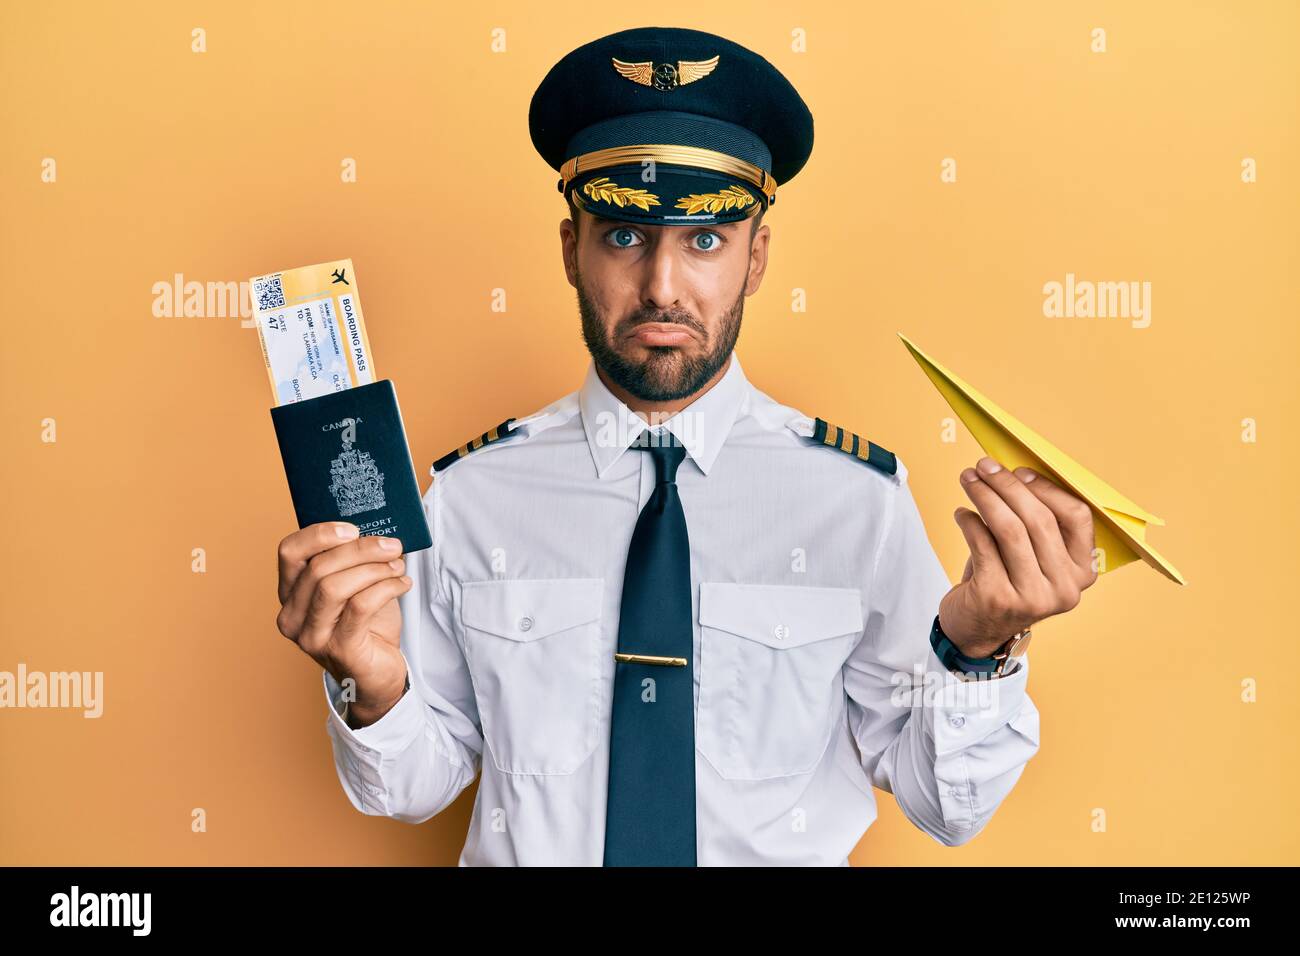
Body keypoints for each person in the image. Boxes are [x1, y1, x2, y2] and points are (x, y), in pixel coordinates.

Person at [274, 26, 1097, 866]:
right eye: (624, 236)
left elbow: (942, 804)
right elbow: (417, 783)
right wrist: (371, 686)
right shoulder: (468, 494)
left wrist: (976, 648)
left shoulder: (858, 501)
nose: (662, 287)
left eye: (704, 238)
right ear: (571, 250)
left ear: (756, 257)